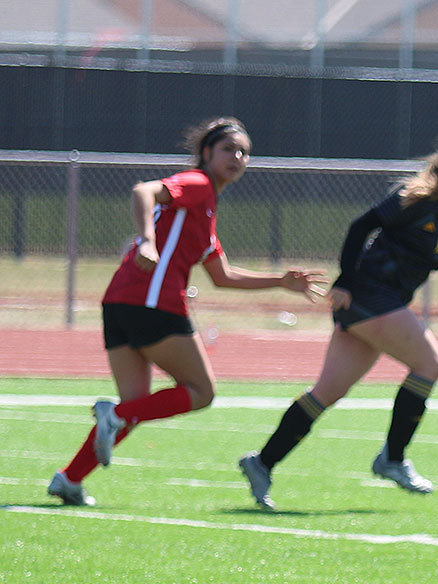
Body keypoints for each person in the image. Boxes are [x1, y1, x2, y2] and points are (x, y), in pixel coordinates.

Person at [46, 117, 325, 507]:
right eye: (229, 148)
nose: (238, 157)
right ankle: (114, 416)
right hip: (153, 302)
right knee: (200, 392)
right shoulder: (198, 185)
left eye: (244, 151)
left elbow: (222, 275)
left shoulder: (205, 211)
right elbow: (144, 191)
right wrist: (146, 240)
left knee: (136, 404)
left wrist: (279, 281)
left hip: (119, 303)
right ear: (207, 153)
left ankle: (69, 479)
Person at [237, 136, 438, 510]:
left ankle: (261, 463)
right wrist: (344, 280)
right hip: (368, 296)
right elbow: (361, 227)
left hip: (383, 304)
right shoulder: (417, 200)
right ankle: (392, 458)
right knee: (429, 365)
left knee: (327, 392)